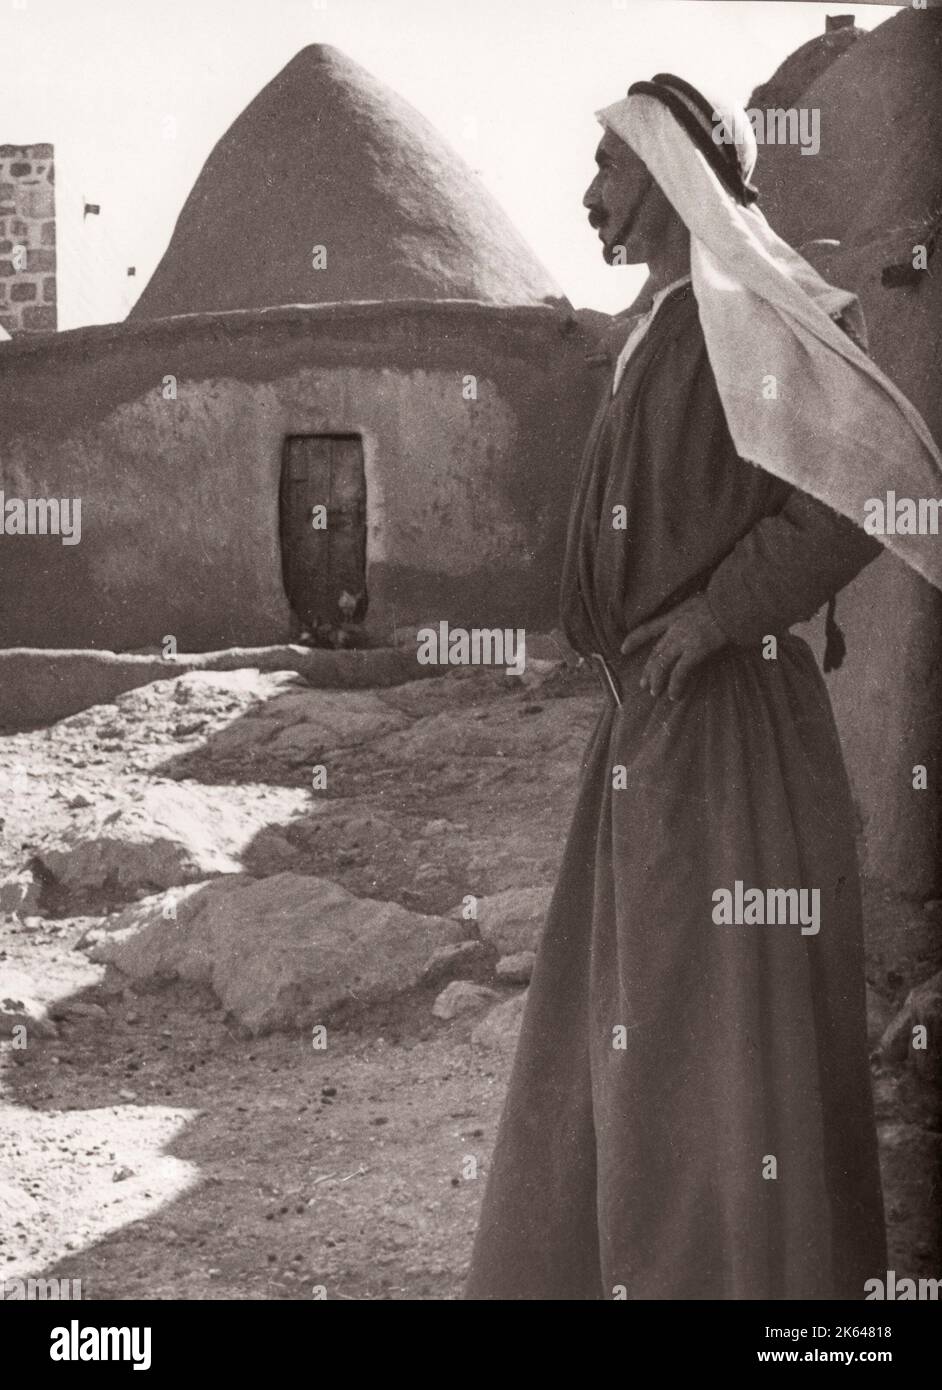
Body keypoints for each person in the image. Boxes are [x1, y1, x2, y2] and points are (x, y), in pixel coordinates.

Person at [464, 73, 942, 1301]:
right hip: (646, 732)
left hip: (732, 736)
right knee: (631, 1021)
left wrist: (719, 615)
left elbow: (857, 502)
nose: (588, 195)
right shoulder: (653, 330)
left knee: (713, 1028)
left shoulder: (757, 321)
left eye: (610, 171)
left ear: (671, 181)